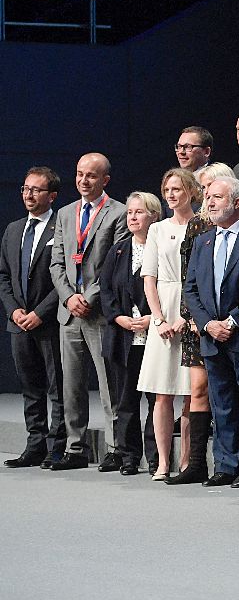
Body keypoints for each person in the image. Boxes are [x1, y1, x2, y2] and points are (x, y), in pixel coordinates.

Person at [183, 176, 239, 488]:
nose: (210, 202)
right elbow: (191, 289)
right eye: (208, 197)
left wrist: (231, 321)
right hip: (210, 336)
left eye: (217, 197)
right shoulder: (203, 241)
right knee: (222, 404)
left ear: (235, 203)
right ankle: (226, 465)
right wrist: (207, 324)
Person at [49, 152, 129, 470]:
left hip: (98, 312)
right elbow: (57, 263)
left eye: (91, 175)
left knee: (108, 382)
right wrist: (69, 297)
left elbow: (115, 262)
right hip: (68, 312)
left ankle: (115, 446)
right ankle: (76, 447)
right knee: (72, 383)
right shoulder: (66, 213)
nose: (83, 180)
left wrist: (89, 297)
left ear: (105, 180)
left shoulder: (119, 213)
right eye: (80, 174)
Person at [165, 162, 231, 483]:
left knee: (227, 391)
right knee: (198, 389)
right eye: (204, 189)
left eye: (213, 189)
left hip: (227, 319)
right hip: (198, 321)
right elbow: (186, 276)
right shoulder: (196, 226)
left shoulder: (237, 222)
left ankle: (229, 462)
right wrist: (192, 316)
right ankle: (195, 464)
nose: (208, 195)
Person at [138, 169, 203, 481]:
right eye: (168, 189)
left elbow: (205, 275)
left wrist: (189, 317)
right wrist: (160, 318)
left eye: (177, 188)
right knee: (162, 394)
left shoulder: (204, 224)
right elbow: (149, 278)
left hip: (193, 311)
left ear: (190, 191)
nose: (172, 195)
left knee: (192, 392)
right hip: (163, 309)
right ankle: (163, 461)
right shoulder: (158, 229)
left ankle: (187, 460)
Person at [0, 167, 65, 468]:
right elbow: (4, 277)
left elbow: (66, 278)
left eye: (36, 190)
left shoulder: (61, 227)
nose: (29, 194)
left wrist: (40, 313)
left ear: (51, 196)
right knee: (30, 387)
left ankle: (57, 446)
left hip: (49, 321)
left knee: (57, 387)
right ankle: (34, 443)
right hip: (19, 322)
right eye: (26, 188)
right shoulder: (13, 229)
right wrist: (14, 310)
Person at [99, 192, 161, 476]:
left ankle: (154, 455)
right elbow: (107, 288)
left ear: (154, 216)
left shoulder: (162, 248)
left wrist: (153, 317)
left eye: (139, 212)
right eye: (130, 213)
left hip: (154, 336)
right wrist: (119, 317)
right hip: (123, 336)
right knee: (125, 400)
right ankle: (128, 456)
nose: (133, 217)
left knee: (155, 399)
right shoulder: (119, 250)